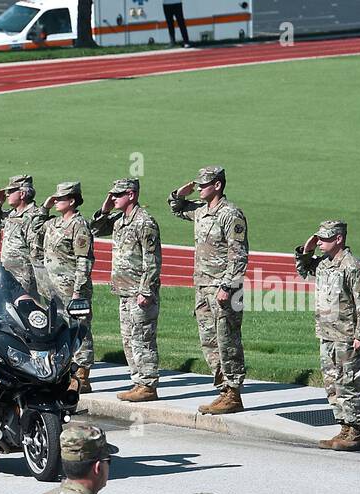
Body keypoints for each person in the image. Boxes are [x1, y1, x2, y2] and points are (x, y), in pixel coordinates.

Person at [169, 166, 249, 415]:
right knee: (209, 341)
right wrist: (184, 190)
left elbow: (239, 255)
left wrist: (227, 286)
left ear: (218, 185)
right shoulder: (201, 211)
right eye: (199, 185)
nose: (200, 188)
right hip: (203, 287)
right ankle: (223, 390)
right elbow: (176, 206)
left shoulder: (230, 214)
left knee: (228, 340)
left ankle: (233, 393)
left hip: (224, 289)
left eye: (204, 184)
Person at [295, 220, 360, 451]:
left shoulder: (353, 266)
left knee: (348, 383)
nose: (320, 241)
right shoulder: (324, 264)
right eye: (319, 237)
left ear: (339, 239)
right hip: (328, 334)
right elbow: (303, 269)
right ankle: (343, 426)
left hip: (348, 335)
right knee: (332, 384)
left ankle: (354, 431)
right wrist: (307, 250)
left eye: (325, 238)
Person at [90, 178, 162, 402]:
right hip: (124, 290)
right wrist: (104, 209)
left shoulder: (144, 222)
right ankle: (138, 381)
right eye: (112, 195)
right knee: (129, 339)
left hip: (140, 293)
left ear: (131, 195)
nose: (113, 198)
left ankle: (148, 384)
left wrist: (146, 291)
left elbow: (152, 260)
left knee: (142, 337)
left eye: (118, 195)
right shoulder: (120, 221)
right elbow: (94, 229)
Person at [41, 181, 96, 391]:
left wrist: (78, 291)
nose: (56, 201)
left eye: (60, 198)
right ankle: (64, 370)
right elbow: (36, 227)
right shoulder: (54, 223)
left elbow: (84, 260)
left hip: (72, 288)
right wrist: (44, 208)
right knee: (59, 328)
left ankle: (82, 374)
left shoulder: (78, 225)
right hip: (53, 289)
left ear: (72, 201)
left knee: (79, 329)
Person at [0, 174, 44, 299]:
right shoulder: (11, 214)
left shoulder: (34, 217)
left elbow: (36, 251)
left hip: (24, 279)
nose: (7, 194)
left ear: (22, 194)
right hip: (8, 276)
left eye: (11, 191)